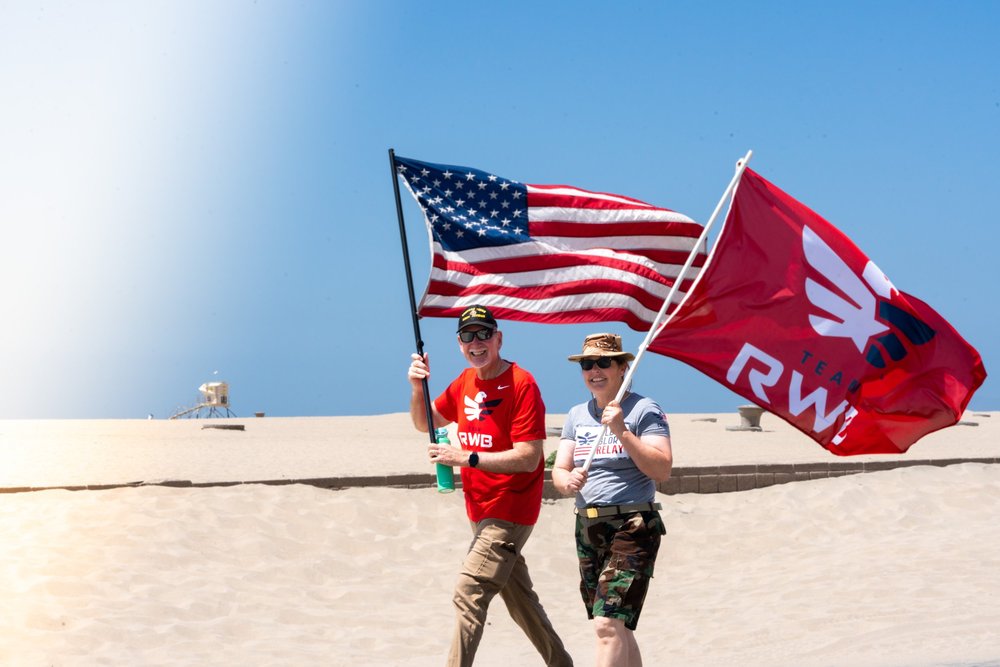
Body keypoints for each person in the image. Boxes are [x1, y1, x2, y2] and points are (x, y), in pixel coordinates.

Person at [407, 304, 574, 667]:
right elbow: (425, 423)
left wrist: (465, 458)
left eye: (484, 334)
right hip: (479, 511)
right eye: (468, 336)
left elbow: (529, 458)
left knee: (469, 593)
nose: (476, 342)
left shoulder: (521, 383)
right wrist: (418, 385)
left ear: (498, 338)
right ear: (459, 343)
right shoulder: (464, 382)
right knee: (520, 601)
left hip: (510, 510)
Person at [551, 333, 673, 667]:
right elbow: (560, 470)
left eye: (604, 362)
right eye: (588, 364)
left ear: (623, 368)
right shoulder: (577, 414)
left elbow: (662, 468)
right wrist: (566, 481)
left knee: (608, 623)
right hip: (589, 526)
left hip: (632, 525)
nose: (595, 370)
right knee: (614, 625)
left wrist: (622, 430)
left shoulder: (644, 409)